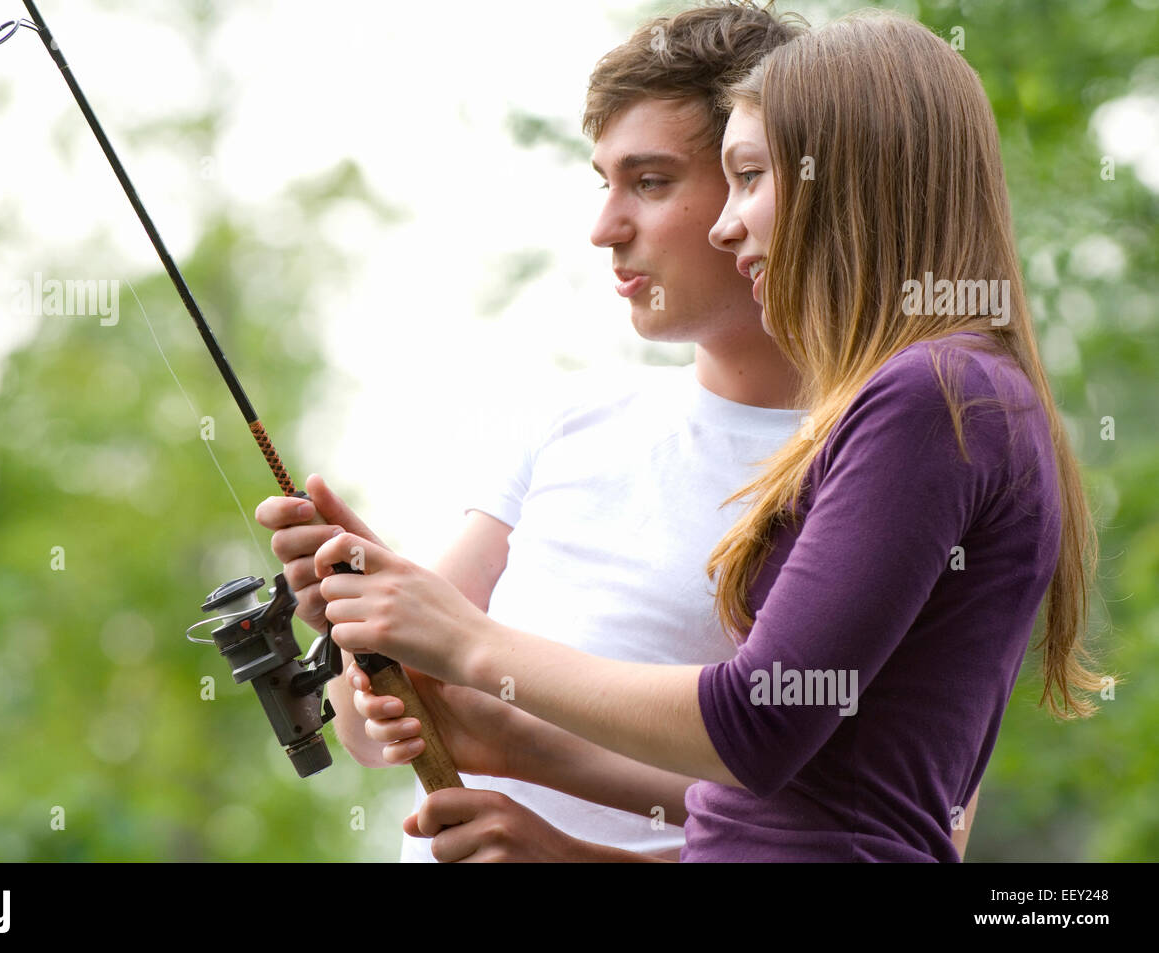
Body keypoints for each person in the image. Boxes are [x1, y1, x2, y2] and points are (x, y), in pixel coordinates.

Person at [310, 9, 1102, 862]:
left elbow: (761, 725)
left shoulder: (934, 395)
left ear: (844, 176)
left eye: (751, 177)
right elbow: (811, 804)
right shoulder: (951, 395)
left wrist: (466, 640)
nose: (730, 223)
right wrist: (522, 766)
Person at [258, 2, 823, 862]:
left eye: (652, 181)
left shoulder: (864, 463)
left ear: (757, 182)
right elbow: (376, 734)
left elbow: (864, 822)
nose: (605, 229)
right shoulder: (569, 421)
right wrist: (366, 627)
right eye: (605, 183)